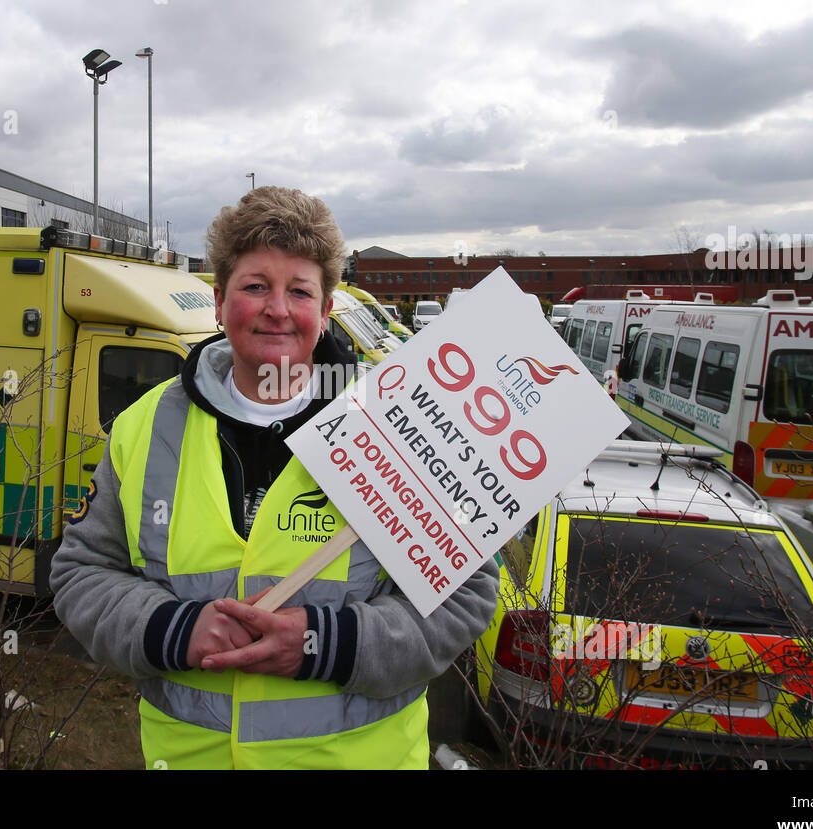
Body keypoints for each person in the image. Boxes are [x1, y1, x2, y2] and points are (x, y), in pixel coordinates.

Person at [50, 186, 498, 769]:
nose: (278, 309)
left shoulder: (396, 425)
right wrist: (176, 629)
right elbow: (81, 573)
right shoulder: (144, 426)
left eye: (300, 291)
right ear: (219, 301)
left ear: (327, 309)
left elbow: (463, 595)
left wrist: (323, 644)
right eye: (256, 286)